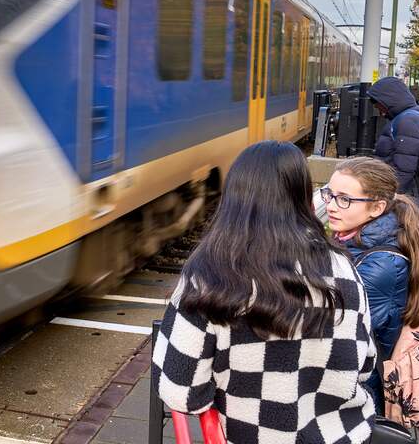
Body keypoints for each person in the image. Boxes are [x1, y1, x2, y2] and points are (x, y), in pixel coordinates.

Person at [153, 141, 376, 443]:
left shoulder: (210, 273)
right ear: (301, 194)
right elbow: (364, 365)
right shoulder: (343, 269)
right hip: (341, 435)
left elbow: (180, 389)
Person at [322, 157, 419, 406]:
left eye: (344, 199)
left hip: (362, 388)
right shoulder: (353, 238)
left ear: (377, 208)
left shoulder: (380, 265)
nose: (331, 206)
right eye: (329, 194)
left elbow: (338, 326)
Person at [369, 77, 419, 198]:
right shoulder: (409, 117)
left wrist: (393, 197)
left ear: (389, 100)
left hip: (400, 192)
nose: (380, 112)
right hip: (400, 188)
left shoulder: (408, 122)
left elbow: (404, 168)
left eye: (380, 106)